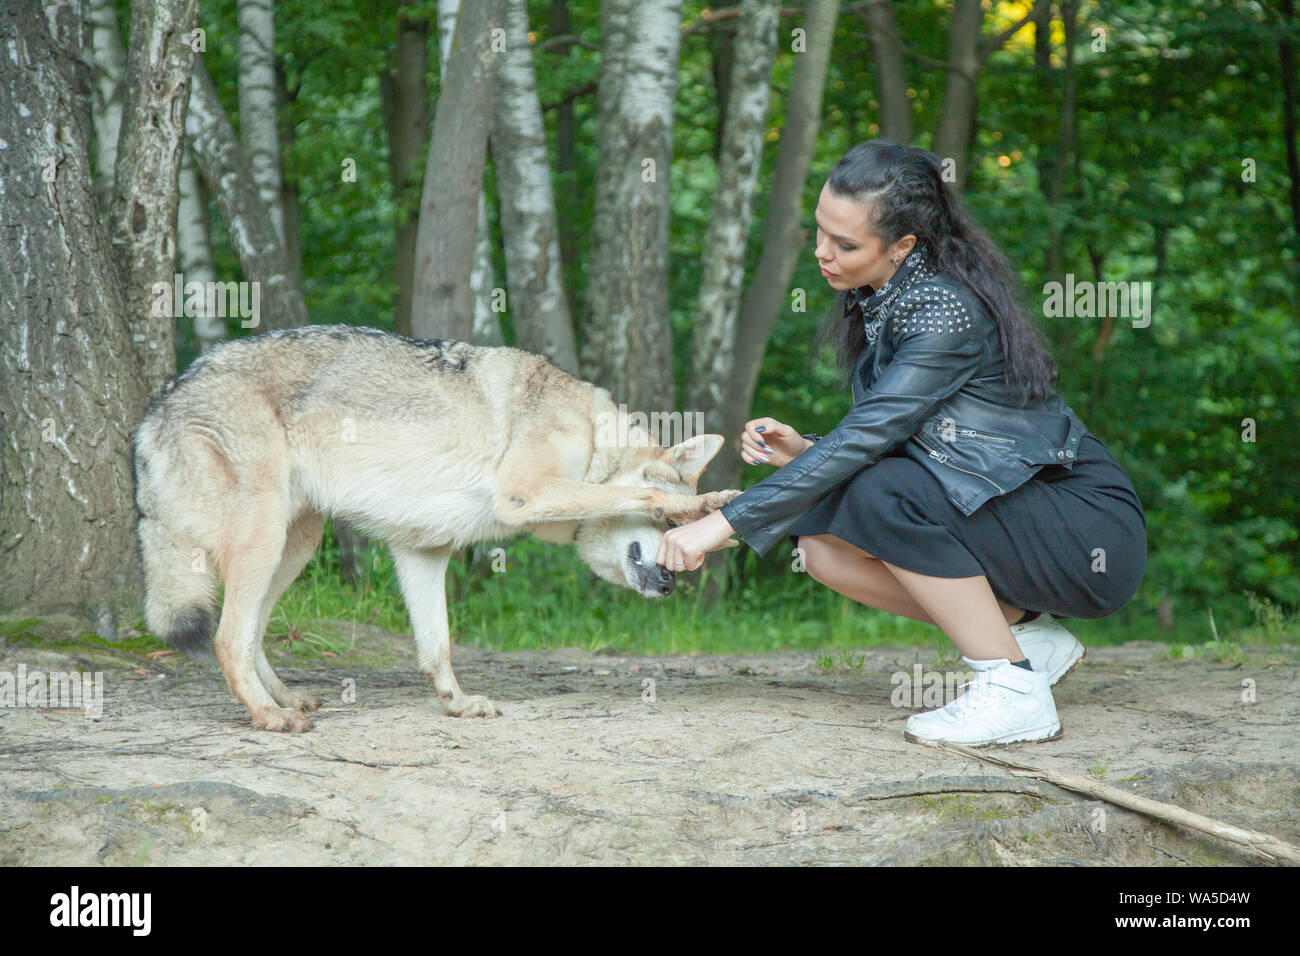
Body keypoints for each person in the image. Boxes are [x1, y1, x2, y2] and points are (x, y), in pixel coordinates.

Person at [656, 140, 1147, 747]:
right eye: (820, 231)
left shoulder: (946, 312)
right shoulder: (883, 294)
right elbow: (910, 445)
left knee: (877, 493)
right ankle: (1024, 642)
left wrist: (721, 523)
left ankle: (1012, 691)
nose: (822, 253)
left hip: (1082, 526)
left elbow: (875, 447)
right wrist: (806, 449)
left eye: (845, 244)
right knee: (822, 550)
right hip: (1006, 511)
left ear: (903, 245)